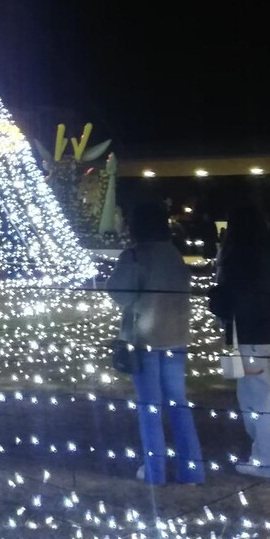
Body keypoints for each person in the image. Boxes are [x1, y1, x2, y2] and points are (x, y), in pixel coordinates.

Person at [106, 201, 205, 485]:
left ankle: (155, 471)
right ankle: (193, 469)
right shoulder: (174, 254)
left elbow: (119, 293)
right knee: (178, 404)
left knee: (150, 408)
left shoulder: (136, 256)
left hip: (144, 340)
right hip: (175, 337)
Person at [208, 202, 270, 478]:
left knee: (256, 395)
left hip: (250, 331)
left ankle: (267, 459)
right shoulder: (267, 251)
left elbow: (227, 298)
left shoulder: (237, 256)